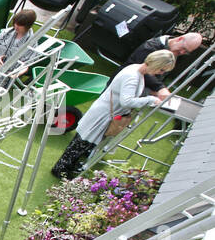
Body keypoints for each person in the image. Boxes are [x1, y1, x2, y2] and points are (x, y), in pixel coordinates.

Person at [51, 51, 175, 180]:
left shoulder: (136, 71)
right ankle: (60, 169)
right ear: (155, 64)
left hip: (105, 112)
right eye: (161, 69)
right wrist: (150, 99)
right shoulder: (133, 76)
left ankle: (68, 167)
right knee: (81, 142)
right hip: (103, 114)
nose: (161, 73)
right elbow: (126, 101)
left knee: (85, 142)